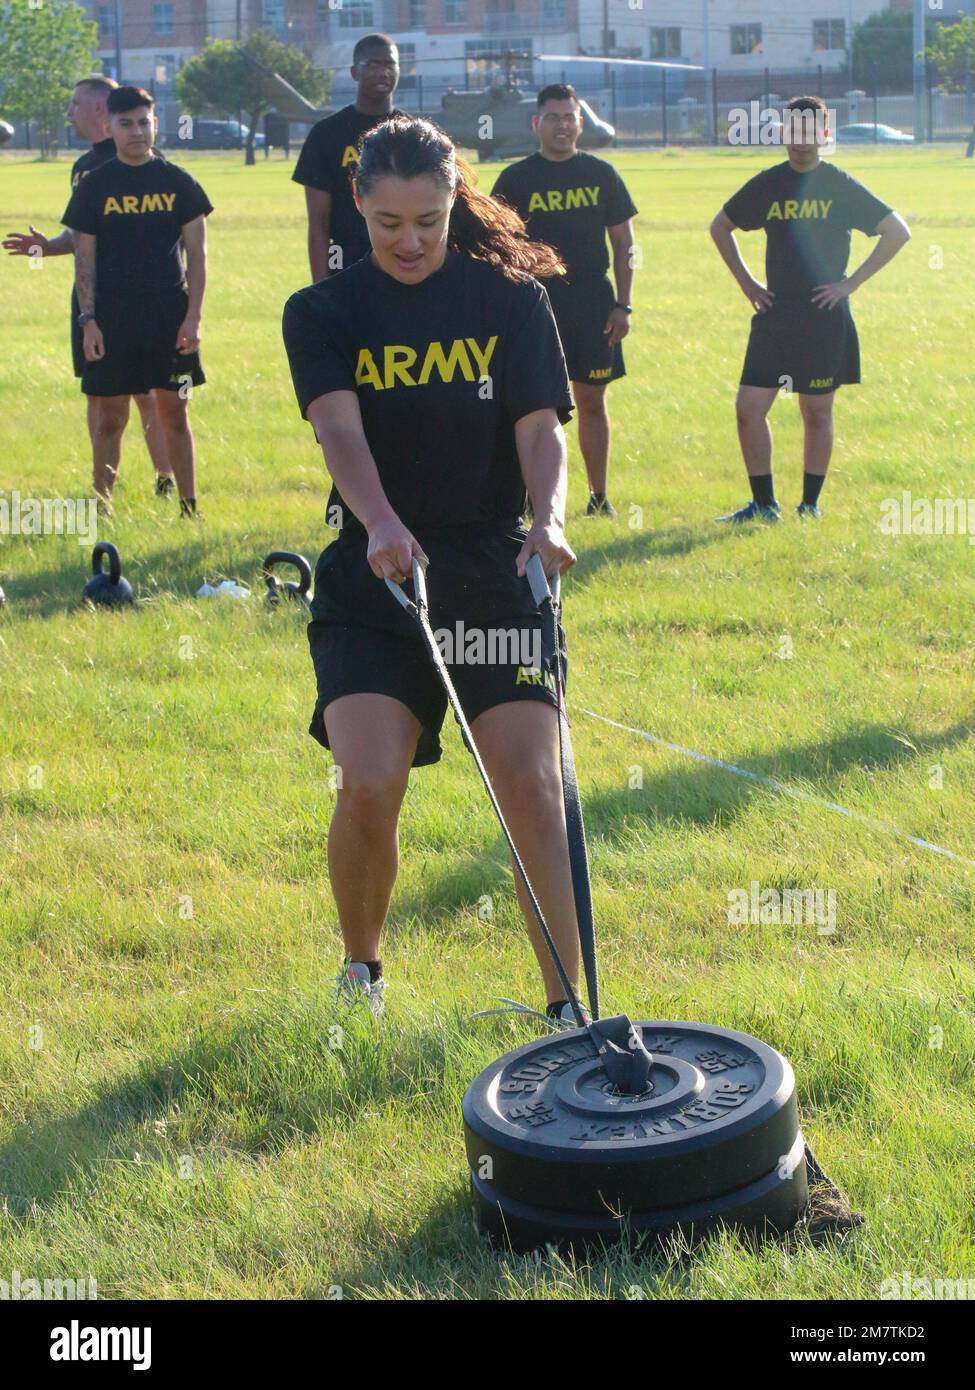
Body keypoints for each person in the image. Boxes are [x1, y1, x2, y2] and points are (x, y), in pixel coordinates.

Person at [282, 115, 588, 1024]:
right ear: (358, 213)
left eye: (428, 220)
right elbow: (339, 427)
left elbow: (541, 429)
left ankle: (565, 1007)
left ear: (456, 201)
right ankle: (362, 972)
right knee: (369, 782)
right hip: (377, 576)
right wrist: (378, 521)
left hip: (496, 571)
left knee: (533, 786)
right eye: (387, 224)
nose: (409, 241)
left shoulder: (510, 301)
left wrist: (550, 521)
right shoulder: (323, 312)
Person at [710, 94, 910, 522]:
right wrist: (747, 284)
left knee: (815, 410)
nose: (801, 141)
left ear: (824, 134)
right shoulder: (768, 183)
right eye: (793, 131)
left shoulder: (837, 184)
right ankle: (764, 505)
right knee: (749, 407)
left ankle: (809, 505)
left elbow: (896, 231)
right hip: (775, 313)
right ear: (783, 133)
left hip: (823, 316)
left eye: (809, 132)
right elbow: (720, 226)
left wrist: (850, 283)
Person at [3, 76, 175, 498]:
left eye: (75, 105)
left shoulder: (153, 164)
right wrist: (47, 247)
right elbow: (82, 239)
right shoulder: (85, 167)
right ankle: (104, 494)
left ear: (99, 109)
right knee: (101, 398)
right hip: (94, 301)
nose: (68, 114)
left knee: (150, 393)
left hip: (149, 300)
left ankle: (166, 479)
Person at [60, 85, 213, 513]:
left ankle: (188, 506)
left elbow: (198, 257)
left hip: (168, 314)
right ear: (109, 127)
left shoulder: (178, 182)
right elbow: (84, 260)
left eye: (143, 122)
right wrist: (88, 320)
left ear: (155, 124)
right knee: (110, 418)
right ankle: (102, 507)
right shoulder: (94, 187)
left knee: (174, 415)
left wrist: (194, 319)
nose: (136, 132)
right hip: (112, 316)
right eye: (125, 124)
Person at [491, 84, 637, 519]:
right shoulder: (517, 179)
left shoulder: (601, 174)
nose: (562, 125)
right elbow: (497, 245)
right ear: (537, 123)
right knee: (532, 406)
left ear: (580, 122)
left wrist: (623, 305)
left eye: (570, 117)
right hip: (536, 305)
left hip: (594, 304)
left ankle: (598, 497)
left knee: (592, 400)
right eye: (553, 117)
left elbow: (624, 244)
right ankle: (527, 503)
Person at [292, 33, 404, 281]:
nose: (382, 72)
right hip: (346, 261)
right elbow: (319, 223)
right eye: (372, 65)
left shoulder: (411, 133)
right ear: (355, 72)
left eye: (389, 65)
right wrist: (321, 289)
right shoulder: (326, 134)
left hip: (403, 258)